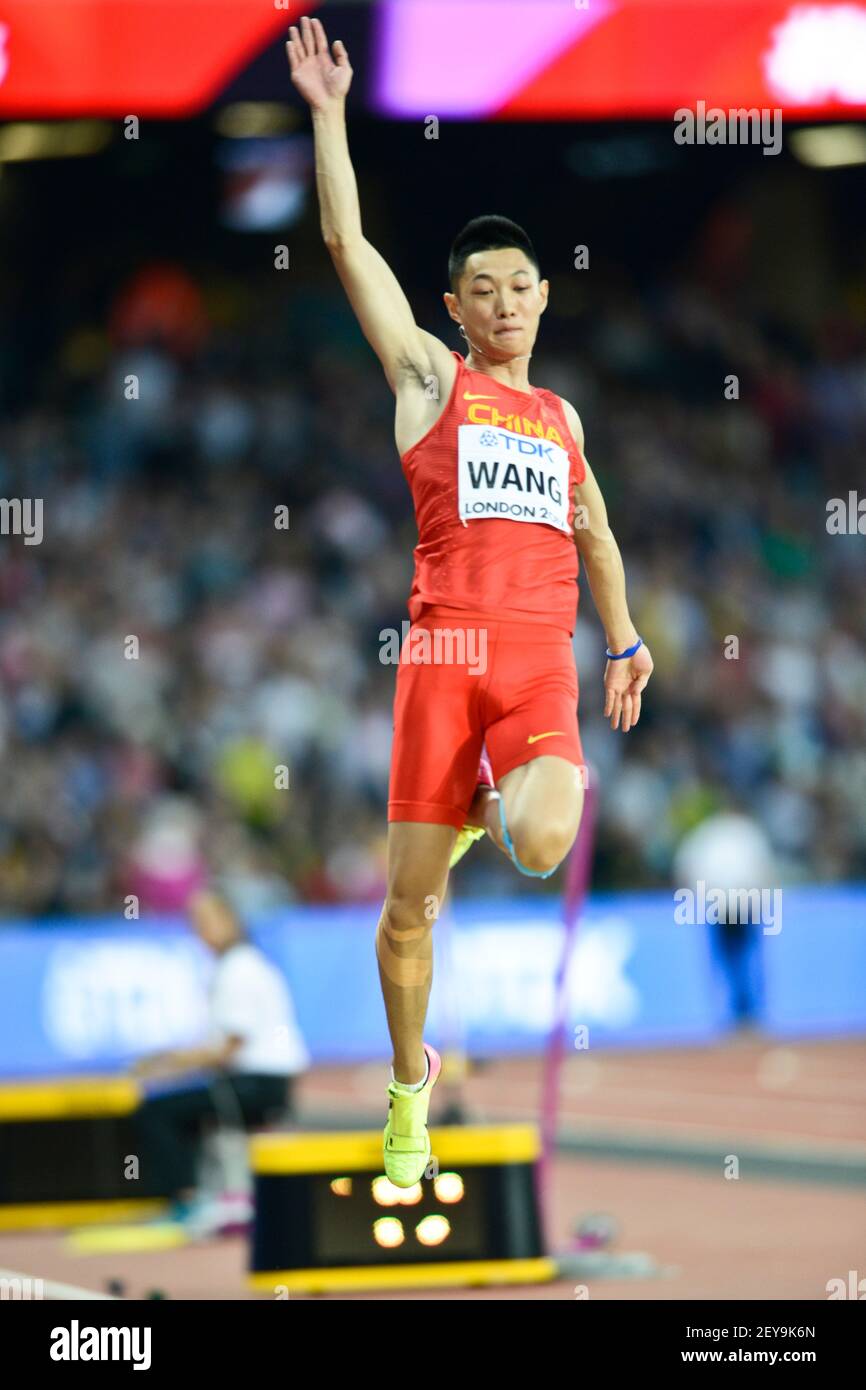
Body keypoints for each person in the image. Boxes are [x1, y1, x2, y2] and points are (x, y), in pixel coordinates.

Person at [287, 16, 653, 1186]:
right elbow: (344, 241)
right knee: (407, 917)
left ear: (544, 297)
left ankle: (495, 804)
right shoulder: (429, 380)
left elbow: (593, 527)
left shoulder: (562, 419)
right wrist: (329, 113)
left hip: (538, 664)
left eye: (518, 286)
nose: (502, 302)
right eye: (480, 289)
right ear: (454, 306)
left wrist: (626, 637)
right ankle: (408, 1089)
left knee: (544, 840)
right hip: (441, 663)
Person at [130, 889, 310, 1228]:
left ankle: (187, 1201)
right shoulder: (246, 963)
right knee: (179, 1107)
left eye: (206, 922)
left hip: (256, 1085)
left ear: (231, 921)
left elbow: (229, 1047)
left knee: (155, 1112)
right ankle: (206, 1193)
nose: (200, 931)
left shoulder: (237, 969)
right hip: (263, 1082)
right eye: (195, 923)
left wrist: (164, 1065)